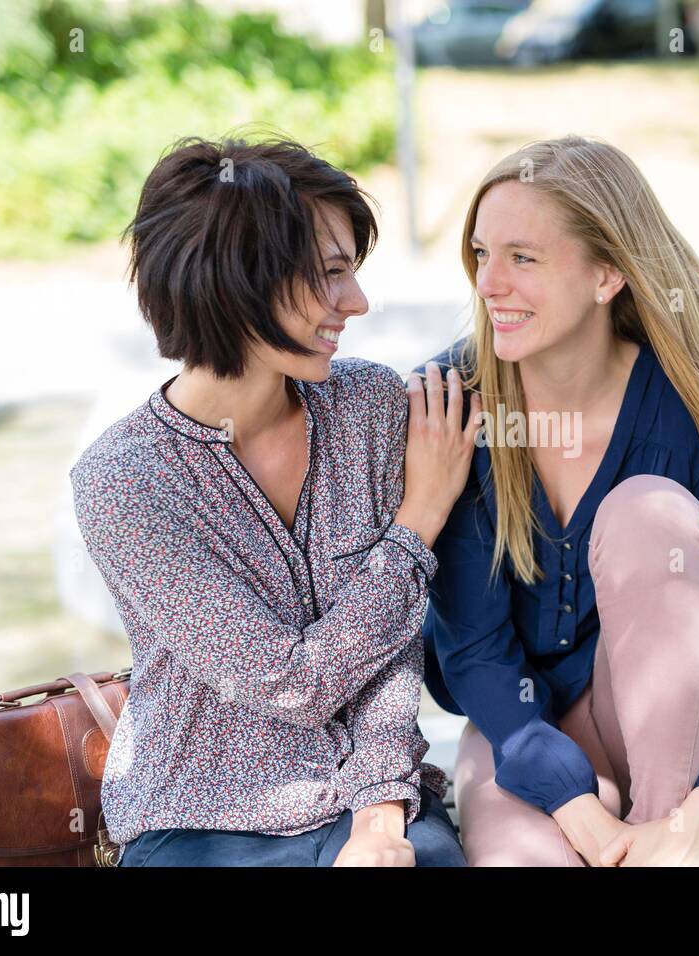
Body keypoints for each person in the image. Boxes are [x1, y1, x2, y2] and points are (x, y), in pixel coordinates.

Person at [71, 133, 480, 866]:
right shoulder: (123, 482)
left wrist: (382, 820)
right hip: (196, 823)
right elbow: (291, 683)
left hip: (372, 798)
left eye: (352, 271)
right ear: (236, 283)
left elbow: (391, 654)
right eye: (329, 274)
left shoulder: (371, 407)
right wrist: (417, 524)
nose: (357, 302)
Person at [417, 134, 699, 866]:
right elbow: (473, 651)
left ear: (607, 276)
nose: (488, 283)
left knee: (647, 514)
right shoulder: (456, 404)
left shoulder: (685, 404)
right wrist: (585, 820)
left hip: (670, 753)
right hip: (522, 742)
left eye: (522, 257)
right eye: (480, 253)